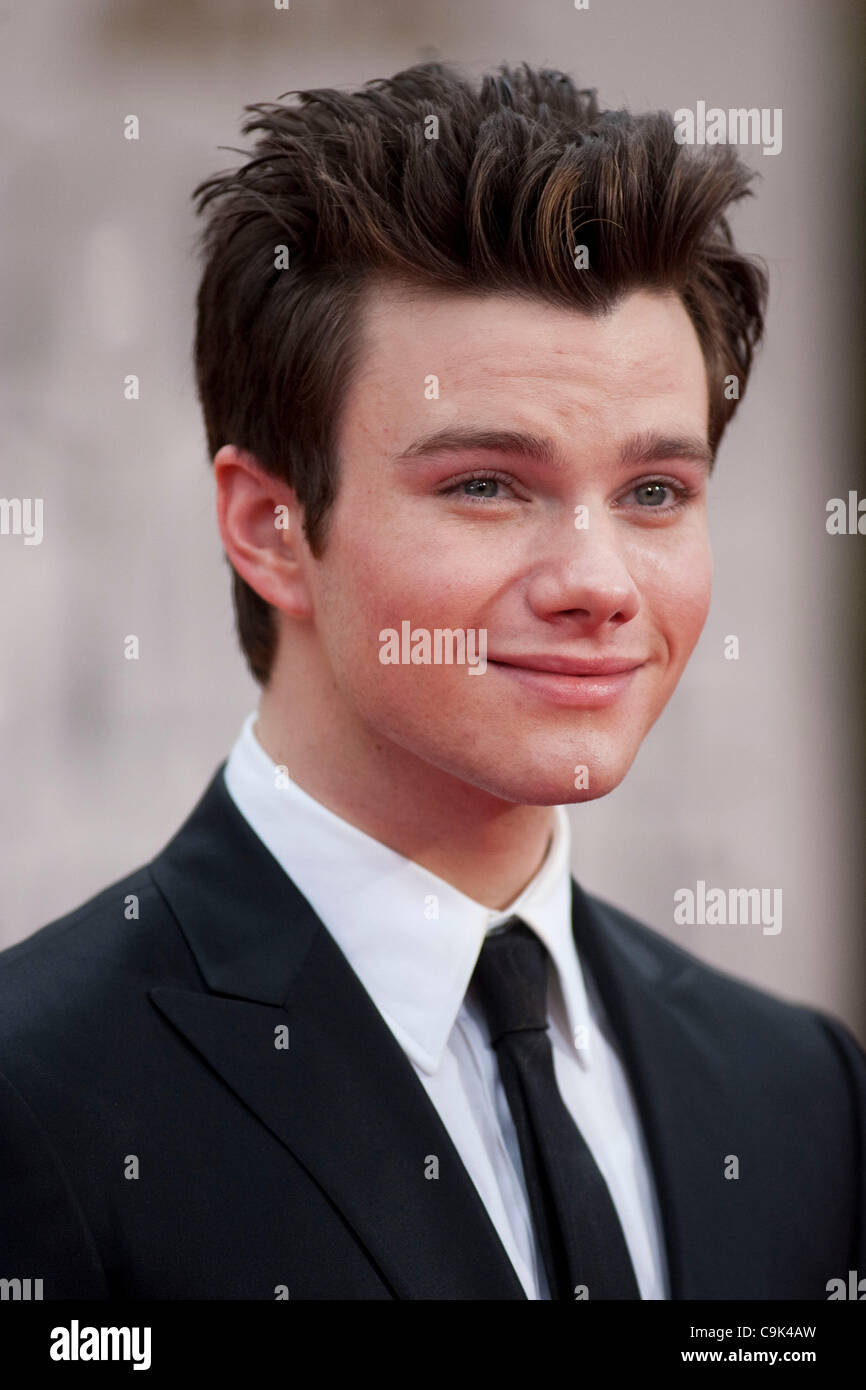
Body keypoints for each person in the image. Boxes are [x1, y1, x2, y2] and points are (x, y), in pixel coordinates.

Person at [1, 60, 863, 1302]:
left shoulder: (796, 1094)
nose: (597, 582)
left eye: (653, 491)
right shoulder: (38, 1098)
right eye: (485, 485)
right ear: (267, 528)